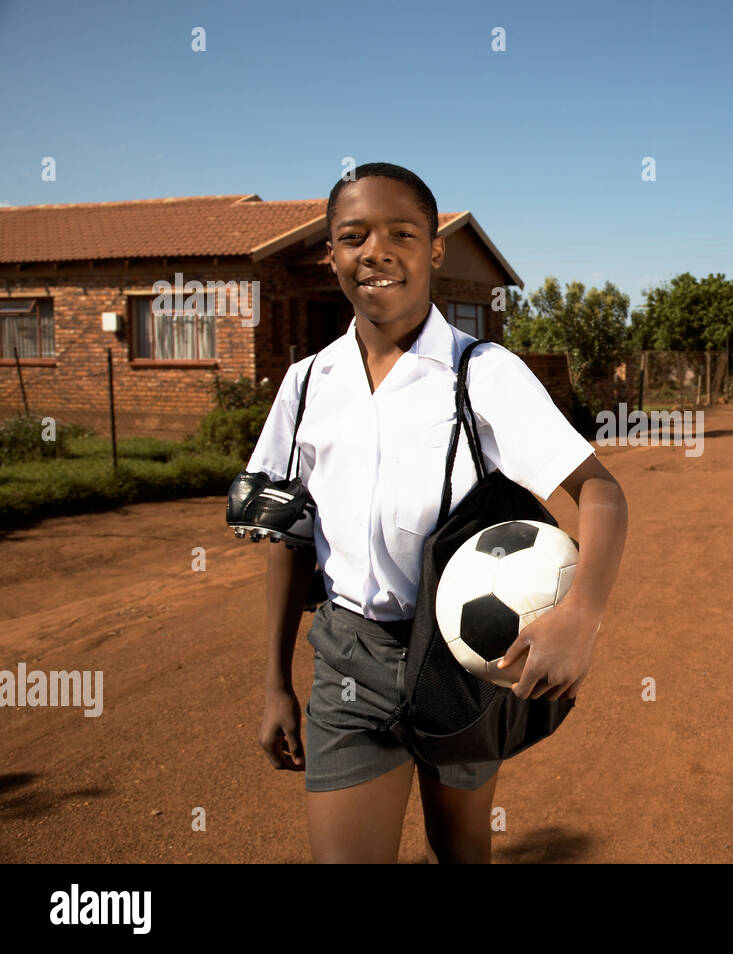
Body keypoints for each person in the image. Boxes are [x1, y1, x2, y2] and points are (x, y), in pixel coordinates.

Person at [247, 162, 628, 863]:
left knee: (460, 849)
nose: (376, 251)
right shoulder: (305, 386)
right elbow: (289, 535)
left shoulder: (482, 372)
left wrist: (580, 615)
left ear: (434, 250)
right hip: (348, 658)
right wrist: (275, 683)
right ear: (329, 253)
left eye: (402, 232)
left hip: (460, 659)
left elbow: (601, 491)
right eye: (352, 235)